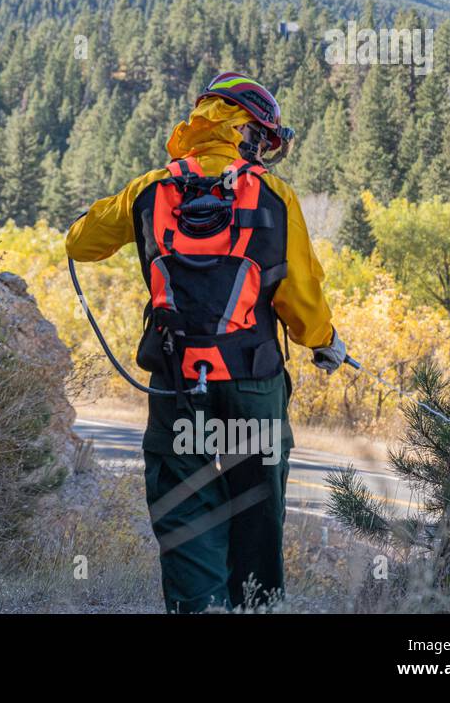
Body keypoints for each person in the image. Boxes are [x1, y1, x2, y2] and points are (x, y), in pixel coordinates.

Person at [66, 72, 347, 612]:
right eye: (264, 140)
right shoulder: (274, 194)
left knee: (187, 515)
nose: (265, 151)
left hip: (177, 385)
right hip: (253, 382)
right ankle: (257, 606)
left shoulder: (150, 189)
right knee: (258, 514)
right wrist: (324, 341)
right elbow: (300, 296)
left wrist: (105, 217)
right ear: (246, 131)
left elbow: (80, 243)